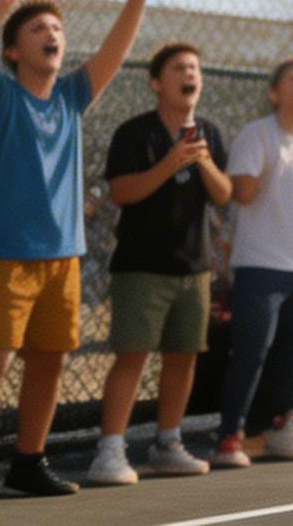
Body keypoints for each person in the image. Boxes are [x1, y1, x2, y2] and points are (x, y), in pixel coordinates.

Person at [0, 0, 169, 514]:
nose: (52, 35)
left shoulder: (70, 97)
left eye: (58, 29)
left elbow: (115, 49)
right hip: (3, 255)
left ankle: (27, 462)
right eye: (39, 29)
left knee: (51, 360)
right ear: (15, 50)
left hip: (64, 255)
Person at [92, 42, 231, 484]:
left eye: (195, 68)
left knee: (183, 357)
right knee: (131, 356)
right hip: (142, 266)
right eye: (179, 68)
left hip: (195, 269)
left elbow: (225, 195)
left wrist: (203, 162)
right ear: (156, 82)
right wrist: (171, 163)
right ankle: (110, 449)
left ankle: (168, 441)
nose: (190, 74)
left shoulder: (208, 131)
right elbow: (121, 192)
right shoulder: (136, 133)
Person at [213, 58, 293, 469]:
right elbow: (244, 194)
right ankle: (229, 436)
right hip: (260, 264)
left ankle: (282, 428)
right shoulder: (256, 135)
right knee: (252, 351)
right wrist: (273, 165)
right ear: (275, 93)